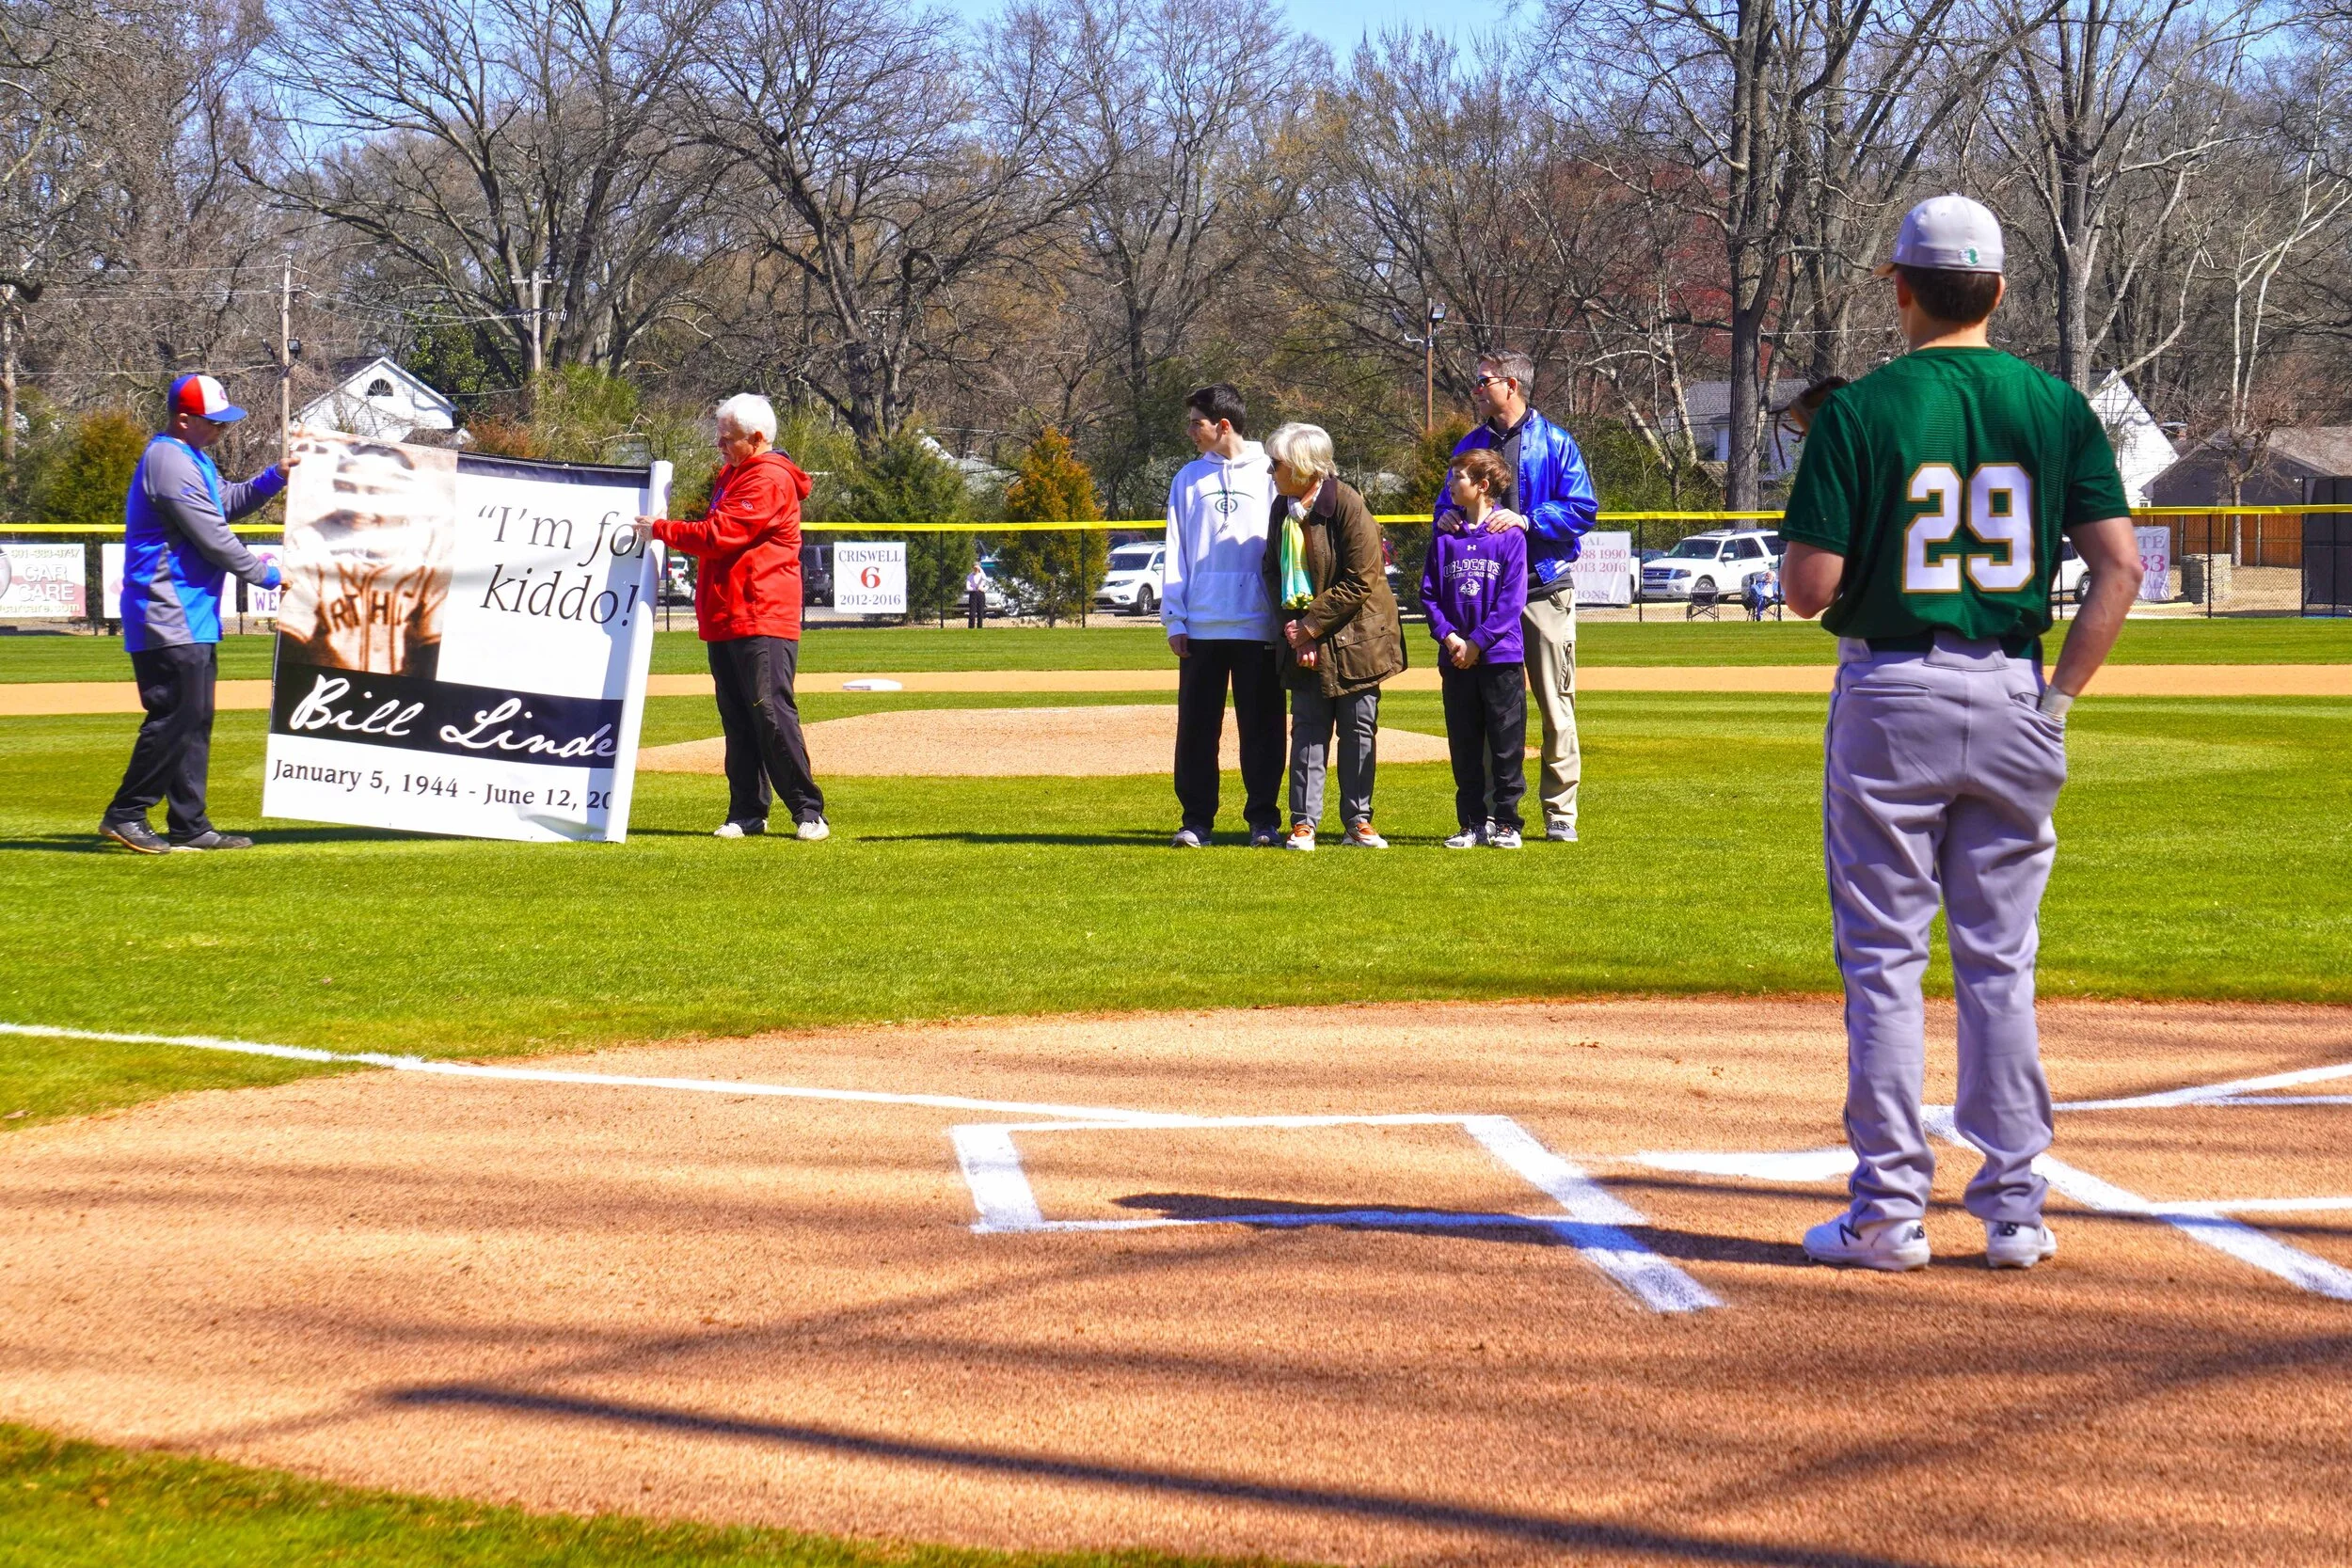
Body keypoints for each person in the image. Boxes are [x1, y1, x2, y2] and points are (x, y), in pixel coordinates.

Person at [1778, 194, 2143, 1273]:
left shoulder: (1862, 409)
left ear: (1899, 286)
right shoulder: (2054, 404)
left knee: (1886, 961)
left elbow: (1809, 590)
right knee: (2000, 964)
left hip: (1895, 693)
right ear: (1998, 289)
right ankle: (2016, 1210)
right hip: (2016, 686)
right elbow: (2118, 566)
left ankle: (1888, 1212)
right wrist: (2060, 698)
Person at [100, 373, 293, 854]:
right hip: (165, 608)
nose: (221, 431)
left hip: (190, 611)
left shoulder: (193, 458)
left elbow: (225, 503)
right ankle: (126, 813)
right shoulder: (167, 459)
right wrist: (266, 576)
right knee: (175, 714)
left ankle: (190, 824)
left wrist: (277, 476)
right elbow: (211, 533)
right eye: (213, 423)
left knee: (195, 715)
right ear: (183, 419)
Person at [639, 394, 829, 842]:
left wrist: (661, 529)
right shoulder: (734, 473)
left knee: (769, 710)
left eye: (728, 439)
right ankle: (747, 811)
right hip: (728, 612)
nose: (719, 446)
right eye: (719, 438)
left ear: (757, 438)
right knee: (738, 717)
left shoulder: (767, 478)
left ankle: (808, 811)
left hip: (761, 612)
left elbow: (721, 535)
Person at [1438, 350, 1597, 843]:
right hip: (1483, 600)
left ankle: (1559, 812)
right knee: (1487, 709)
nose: (1476, 389)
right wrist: (1444, 516)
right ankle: (1490, 815)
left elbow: (1583, 509)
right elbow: (1448, 503)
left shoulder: (1555, 442)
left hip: (1543, 588)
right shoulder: (1470, 444)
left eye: (1482, 381)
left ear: (1510, 384)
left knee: (1555, 704)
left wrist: (1530, 520)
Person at [1260, 422, 1406, 851]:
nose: (1272, 472)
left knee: (1359, 730)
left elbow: (1362, 579)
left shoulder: (1346, 503)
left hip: (1358, 640)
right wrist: (1297, 634)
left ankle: (1358, 822)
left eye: (1277, 464)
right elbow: (1273, 572)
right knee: (1307, 730)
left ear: (1304, 467)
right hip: (1305, 642)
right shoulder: (1280, 509)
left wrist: (1309, 627)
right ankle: (1303, 824)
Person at [1162, 383, 1281, 848]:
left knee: (1263, 729)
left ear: (1223, 425)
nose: (1191, 431)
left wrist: (1283, 616)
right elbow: (1177, 550)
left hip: (1258, 624)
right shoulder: (1187, 478)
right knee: (1196, 731)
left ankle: (1263, 821)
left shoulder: (1272, 473)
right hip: (1202, 626)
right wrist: (1176, 617)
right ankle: (1195, 821)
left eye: (1197, 422)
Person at [1422, 449, 1530, 849]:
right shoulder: (1445, 536)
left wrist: (1477, 643)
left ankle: (1507, 823)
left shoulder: (1510, 537)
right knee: (1464, 743)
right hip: (1456, 658)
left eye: (1458, 479)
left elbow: (1511, 602)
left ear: (1482, 487)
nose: (1451, 486)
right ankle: (1470, 823)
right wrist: (1451, 638)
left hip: (1500, 657)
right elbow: (1429, 596)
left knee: (1505, 744)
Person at [964, 562, 990, 629]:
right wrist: (975, 588)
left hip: (981, 594)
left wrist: (983, 589)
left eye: (977, 568)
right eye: (974, 568)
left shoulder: (982, 575)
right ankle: (971, 627)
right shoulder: (970, 576)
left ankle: (980, 628)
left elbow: (985, 580)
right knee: (972, 613)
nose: (975, 569)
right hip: (973, 594)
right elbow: (968, 587)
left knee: (980, 612)